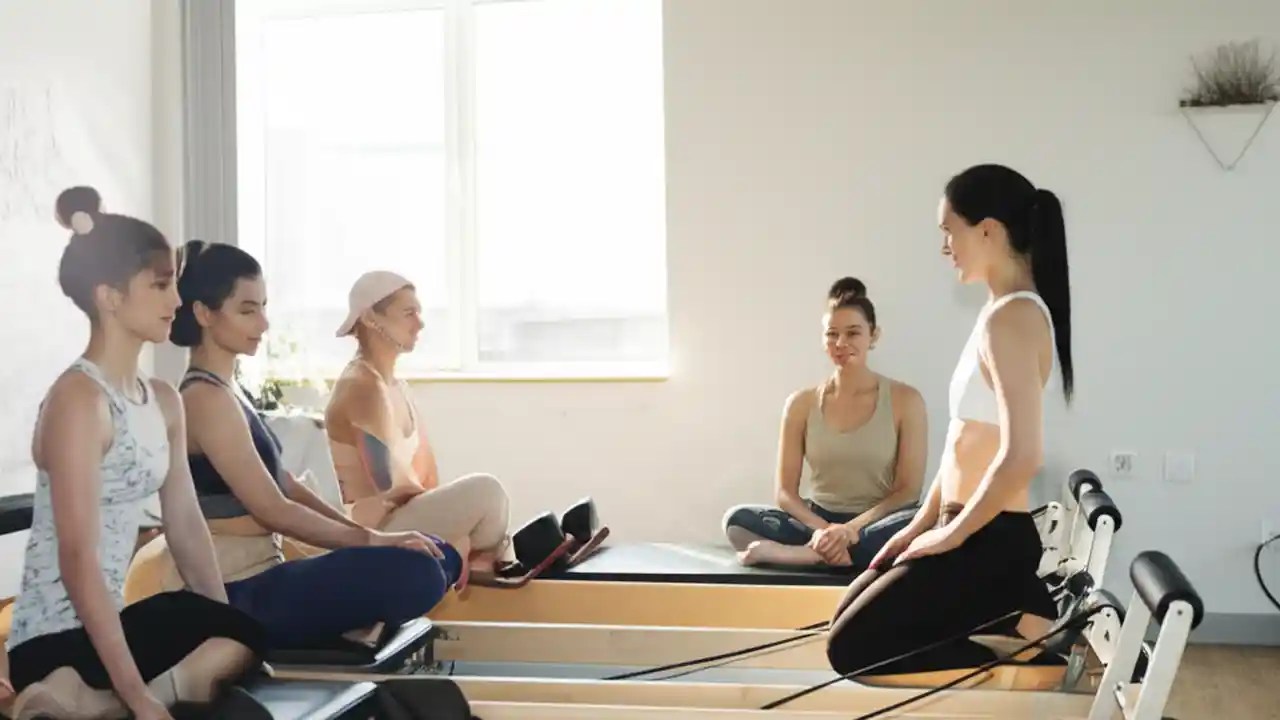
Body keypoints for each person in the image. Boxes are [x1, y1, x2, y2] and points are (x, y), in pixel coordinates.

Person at [3, 188, 265, 720]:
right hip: (56, 642)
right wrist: (138, 695)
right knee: (234, 642)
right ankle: (86, 692)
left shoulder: (163, 400)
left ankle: (92, 705)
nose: (175, 302)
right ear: (110, 297)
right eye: (161, 285)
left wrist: (228, 635)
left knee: (241, 633)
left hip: (109, 629)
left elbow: (187, 527)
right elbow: (77, 563)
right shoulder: (78, 400)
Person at [147, 241, 460, 651]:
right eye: (247, 310)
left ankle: (347, 621)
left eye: (263, 307)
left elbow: (287, 485)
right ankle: (343, 623)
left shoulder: (230, 390)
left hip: (269, 572)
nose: (263, 323)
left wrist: (363, 533)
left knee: (442, 554)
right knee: (420, 572)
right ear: (205, 313)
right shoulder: (204, 399)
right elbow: (273, 509)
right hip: (240, 590)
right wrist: (371, 542)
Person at [825, 164, 1070, 678]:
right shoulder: (996, 313)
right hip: (963, 523)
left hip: (989, 537)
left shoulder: (1014, 318)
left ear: (988, 230)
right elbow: (962, 441)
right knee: (847, 615)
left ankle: (1023, 653)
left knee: (853, 649)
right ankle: (1014, 623)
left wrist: (953, 535)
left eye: (947, 230)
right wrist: (917, 527)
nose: (944, 246)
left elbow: (1023, 454)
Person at [323, 271, 514, 586]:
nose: (420, 323)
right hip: (376, 534)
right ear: (371, 319)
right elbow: (390, 486)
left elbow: (425, 482)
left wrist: (455, 525)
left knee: (490, 504)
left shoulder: (398, 386)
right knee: (488, 492)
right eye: (409, 313)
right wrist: (459, 532)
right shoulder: (361, 385)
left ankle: (472, 557)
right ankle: (467, 557)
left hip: (402, 519)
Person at [723, 278, 927, 570]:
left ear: (874, 335)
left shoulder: (907, 400)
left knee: (924, 522)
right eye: (832, 335)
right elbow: (785, 493)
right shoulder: (801, 403)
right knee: (737, 519)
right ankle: (829, 552)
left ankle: (810, 556)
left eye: (853, 333)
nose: (841, 344)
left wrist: (850, 530)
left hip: (875, 524)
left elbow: (908, 491)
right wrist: (824, 531)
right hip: (815, 522)